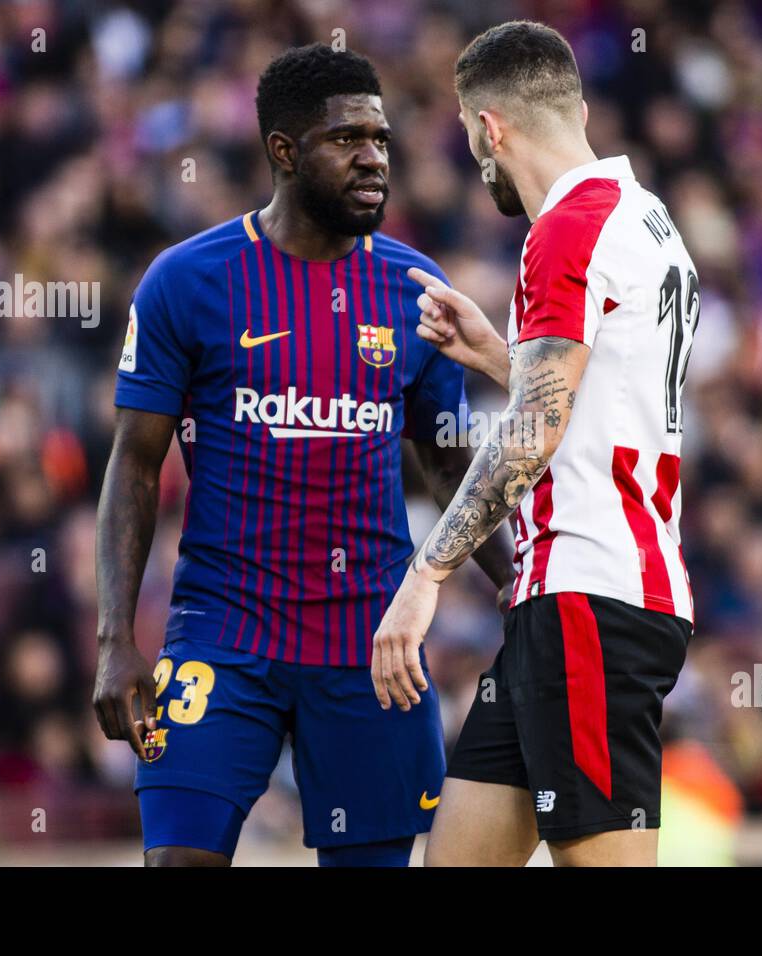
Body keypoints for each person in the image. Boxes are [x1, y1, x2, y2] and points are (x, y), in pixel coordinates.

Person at [92, 43, 513, 867]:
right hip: (223, 636)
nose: (372, 158)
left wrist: (517, 588)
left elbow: (448, 466)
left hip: (372, 646)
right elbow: (134, 465)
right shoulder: (186, 282)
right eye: (346, 138)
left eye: (382, 140)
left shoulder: (417, 291)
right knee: (179, 860)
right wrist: (115, 638)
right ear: (284, 152)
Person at [372, 21, 700, 866]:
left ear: (490, 129)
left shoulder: (563, 231)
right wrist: (495, 352)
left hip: (588, 597)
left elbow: (535, 430)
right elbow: (598, 391)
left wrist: (425, 575)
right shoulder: (649, 220)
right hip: (576, 600)